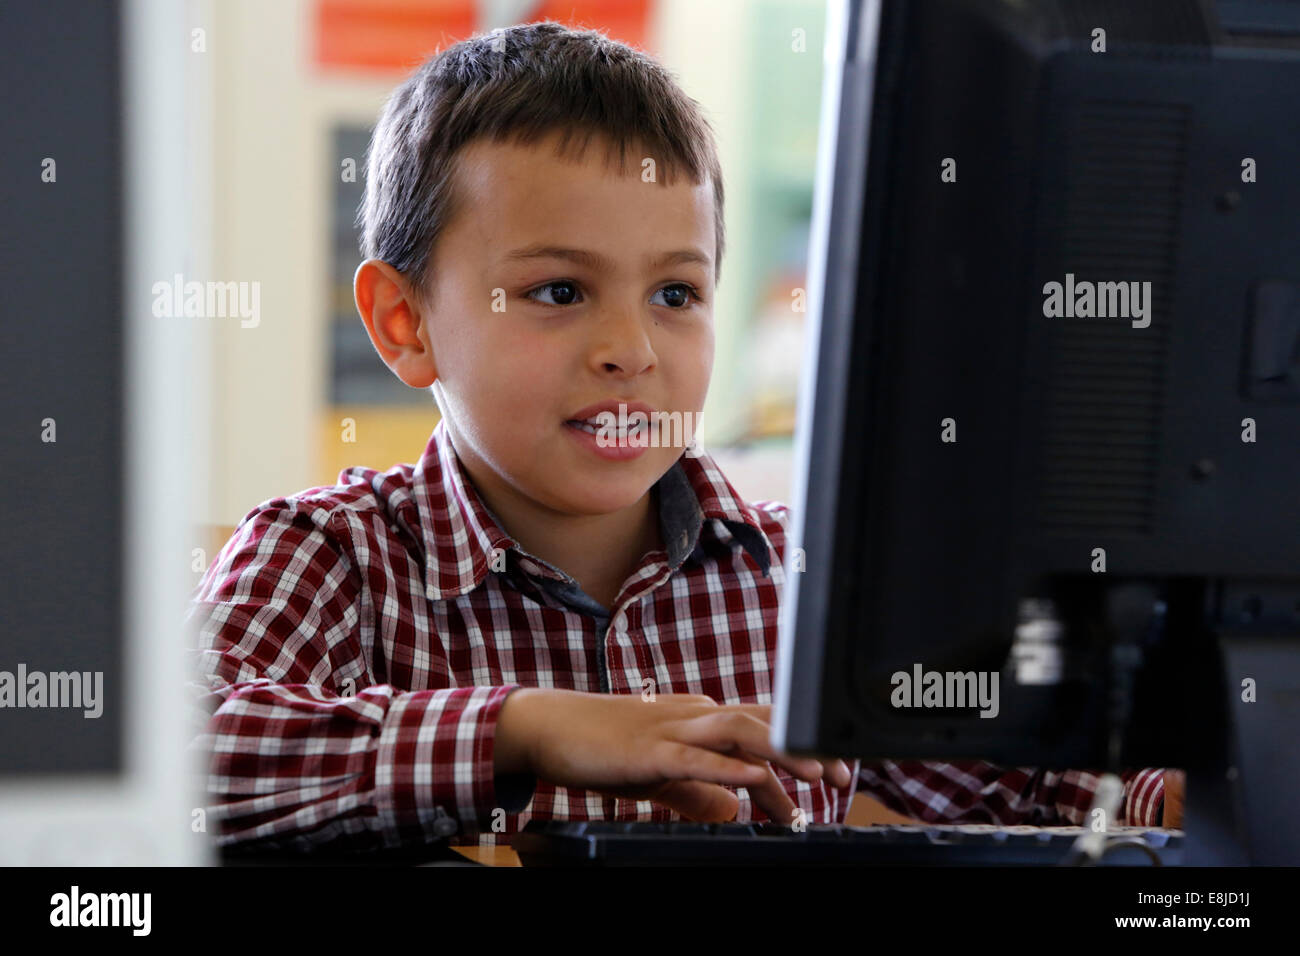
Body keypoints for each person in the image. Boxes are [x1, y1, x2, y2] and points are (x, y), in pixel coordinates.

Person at [186, 20, 1174, 854]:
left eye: (675, 293)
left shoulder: (813, 582)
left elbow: (1044, 785)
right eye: (558, 291)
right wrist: (525, 729)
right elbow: (179, 759)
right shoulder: (328, 558)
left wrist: (1169, 786)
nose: (630, 349)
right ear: (405, 323)